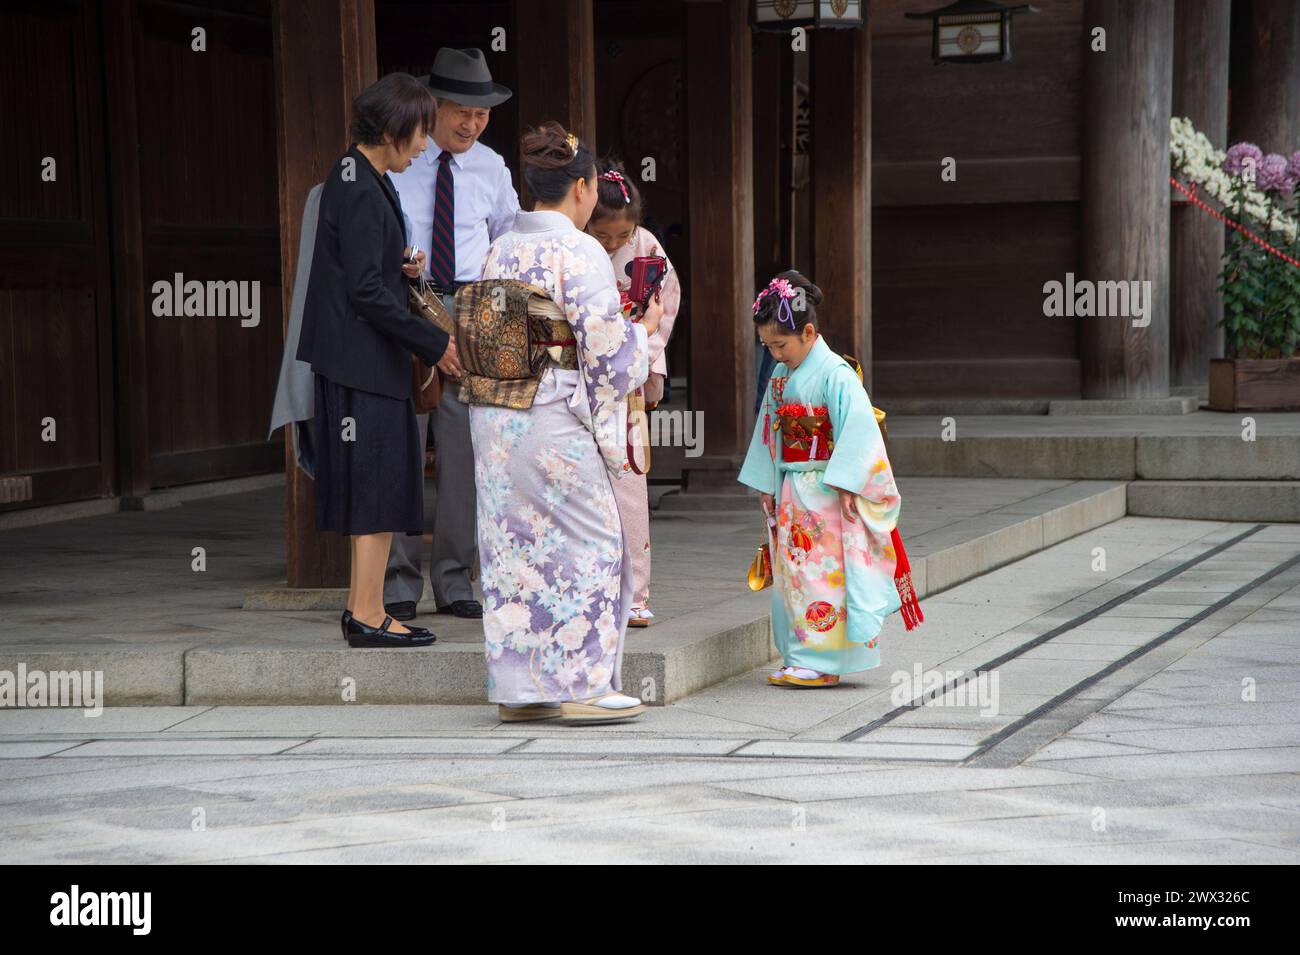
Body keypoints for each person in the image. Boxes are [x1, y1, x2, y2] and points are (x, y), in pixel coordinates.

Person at [469, 122, 660, 723]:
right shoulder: (576, 250)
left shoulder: (502, 247)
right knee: (594, 543)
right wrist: (644, 333)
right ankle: (581, 684)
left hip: (497, 419)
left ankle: (522, 690)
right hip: (553, 417)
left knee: (512, 549)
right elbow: (607, 354)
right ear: (581, 188)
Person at [296, 72, 463, 648]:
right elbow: (366, 293)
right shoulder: (363, 187)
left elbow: (362, 272)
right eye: (420, 133)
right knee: (374, 490)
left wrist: (402, 267)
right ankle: (367, 614)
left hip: (356, 361)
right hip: (364, 364)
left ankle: (362, 606)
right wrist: (435, 344)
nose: (424, 145)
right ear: (394, 128)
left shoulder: (357, 175)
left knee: (376, 488)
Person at [384, 47, 521, 624]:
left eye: (482, 113)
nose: (471, 123)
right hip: (409, 302)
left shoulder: (491, 167)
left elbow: (510, 242)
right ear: (431, 107)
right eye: (460, 111)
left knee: (467, 448)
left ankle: (455, 577)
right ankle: (395, 580)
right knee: (402, 444)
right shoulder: (398, 161)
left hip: (473, 305)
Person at [738, 271, 903, 686]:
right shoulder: (782, 376)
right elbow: (768, 429)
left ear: (809, 332)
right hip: (794, 488)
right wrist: (767, 482)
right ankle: (800, 654)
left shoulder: (836, 373)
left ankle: (822, 661)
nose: (776, 355)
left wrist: (851, 481)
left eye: (781, 345)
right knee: (794, 573)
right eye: (768, 346)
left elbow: (859, 428)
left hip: (828, 490)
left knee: (820, 573)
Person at [585, 158, 679, 627]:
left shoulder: (647, 248)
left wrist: (648, 362)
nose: (616, 244)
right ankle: (591, 588)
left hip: (627, 386)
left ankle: (635, 592)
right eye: (605, 236)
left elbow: (665, 307)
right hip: (581, 380)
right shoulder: (575, 248)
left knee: (629, 485)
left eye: (623, 236)